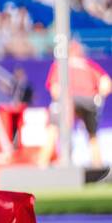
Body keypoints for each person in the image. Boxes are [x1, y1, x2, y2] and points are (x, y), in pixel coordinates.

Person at [40, 40, 112, 168]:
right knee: (92, 134)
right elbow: (106, 83)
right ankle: (98, 168)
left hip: (69, 98)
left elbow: (55, 89)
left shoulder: (61, 64)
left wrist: (60, 103)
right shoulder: (88, 64)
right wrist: (99, 98)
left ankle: (42, 165)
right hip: (89, 101)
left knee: (53, 128)